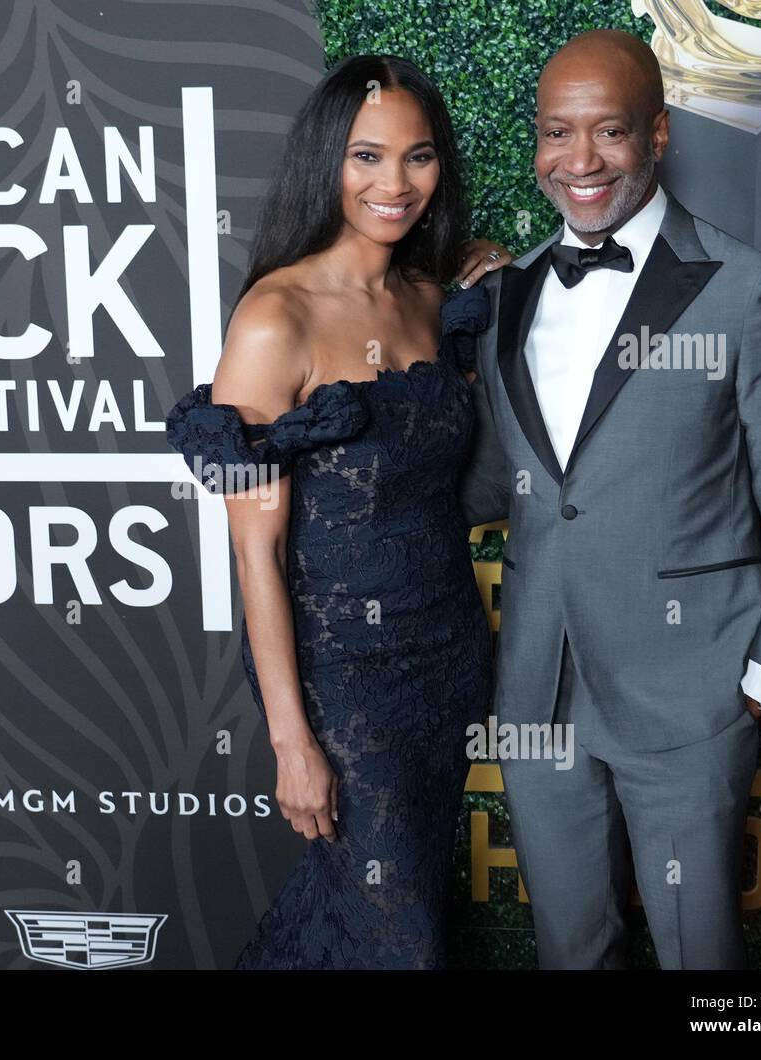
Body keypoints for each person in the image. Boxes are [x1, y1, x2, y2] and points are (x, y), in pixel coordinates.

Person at [458, 28, 761, 968]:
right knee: (570, 948)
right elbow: (497, 486)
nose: (580, 161)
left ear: (659, 135)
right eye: (558, 133)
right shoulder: (504, 298)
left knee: (697, 955)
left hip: (690, 693)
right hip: (537, 689)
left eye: (610, 132)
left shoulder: (750, 295)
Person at [165, 53, 512, 969]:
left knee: (382, 913)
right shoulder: (273, 319)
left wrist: (487, 279)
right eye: (367, 156)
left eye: (418, 156)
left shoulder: (436, 302)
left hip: (446, 657)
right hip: (344, 686)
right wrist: (292, 741)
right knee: (403, 938)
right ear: (328, 162)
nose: (395, 183)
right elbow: (255, 556)